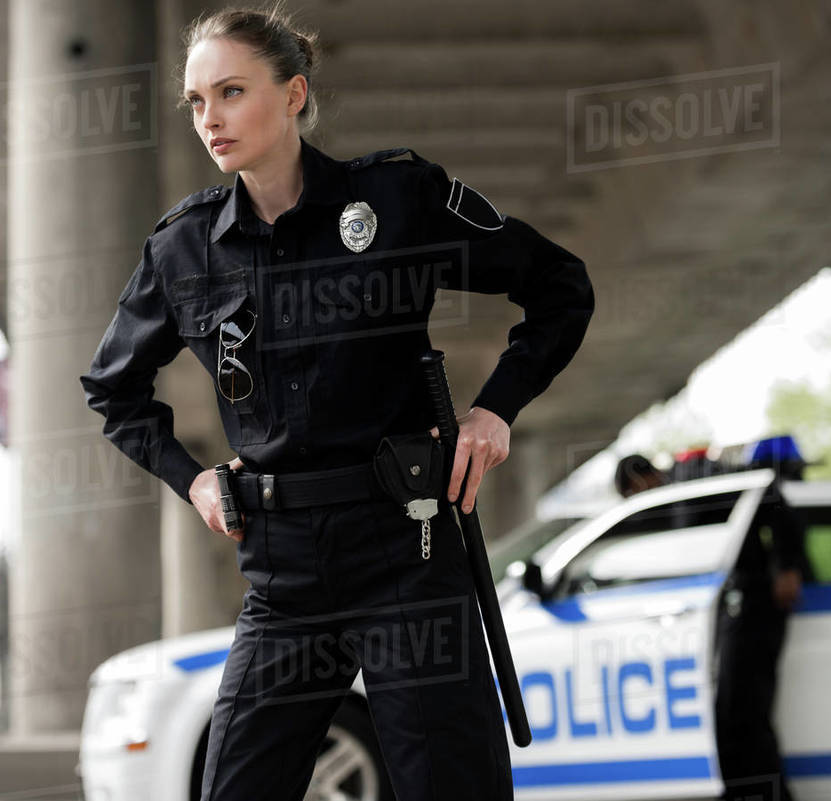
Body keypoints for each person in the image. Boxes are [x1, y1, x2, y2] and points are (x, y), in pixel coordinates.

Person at [79, 4, 594, 799]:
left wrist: (496, 409)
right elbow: (113, 389)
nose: (208, 118)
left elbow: (559, 287)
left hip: (408, 549)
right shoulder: (183, 249)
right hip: (281, 570)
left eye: (230, 92)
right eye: (195, 102)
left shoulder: (398, 200)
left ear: (293, 94)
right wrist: (193, 478)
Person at [713, 439, 808, 801]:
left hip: (752, 612)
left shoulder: (748, 489)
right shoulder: (737, 492)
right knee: (736, 717)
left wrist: (787, 566)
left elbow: (778, 509)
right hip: (738, 610)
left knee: (743, 717)